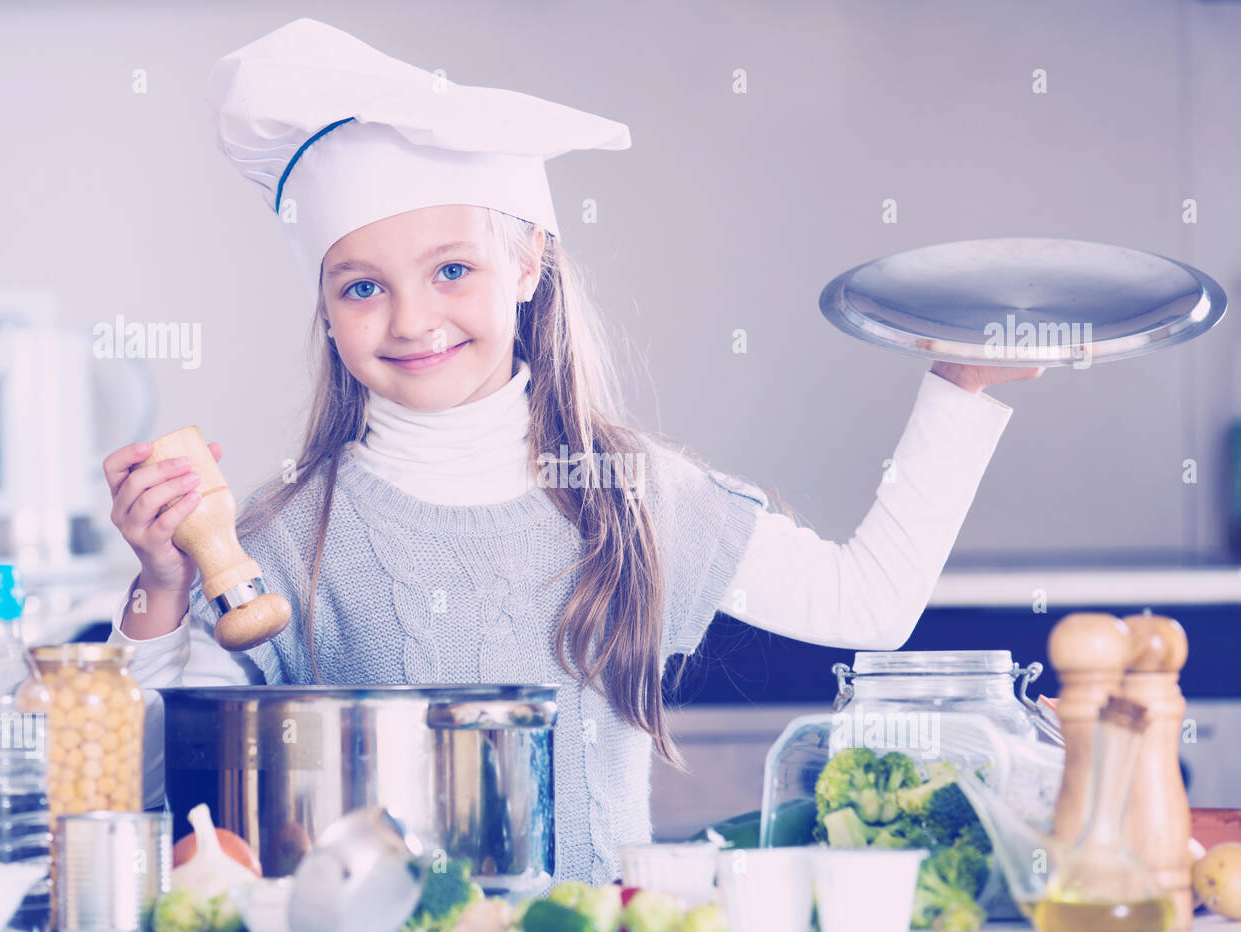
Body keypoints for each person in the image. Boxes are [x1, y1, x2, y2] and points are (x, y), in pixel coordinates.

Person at [101, 18, 1041, 885]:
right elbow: (148, 788)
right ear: (326, 308)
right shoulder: (283, 535)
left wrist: (959, 392)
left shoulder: (633, 497)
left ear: (528, 265)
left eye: (453, 270)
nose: (412, 318)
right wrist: (159, 588)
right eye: (360, 287)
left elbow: (866, 604)